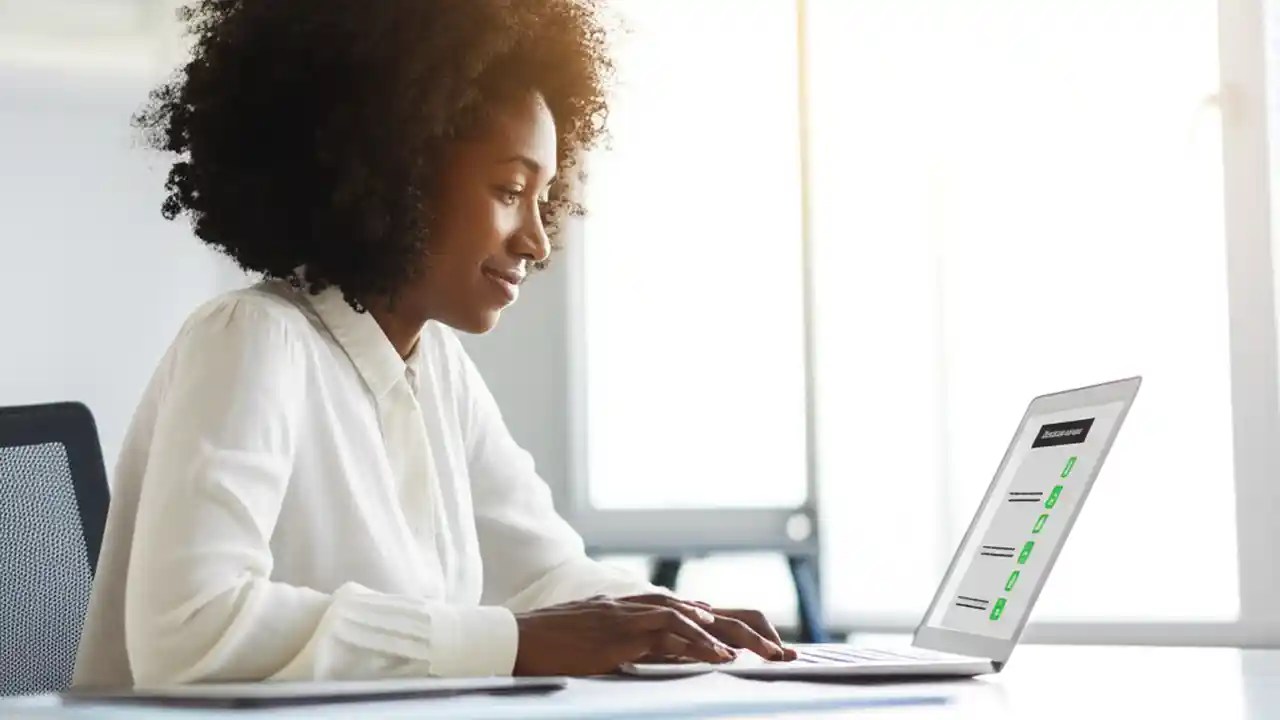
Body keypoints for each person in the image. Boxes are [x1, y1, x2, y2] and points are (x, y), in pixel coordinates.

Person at [73, 0, 795, 687]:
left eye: (545, 200)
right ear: (399, 171)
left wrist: (682, 622)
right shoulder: (252, 341)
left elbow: (545, 575)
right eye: (510, 190)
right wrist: (510, 644)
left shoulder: (436, 367)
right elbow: (190, 630)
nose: (538, 241)